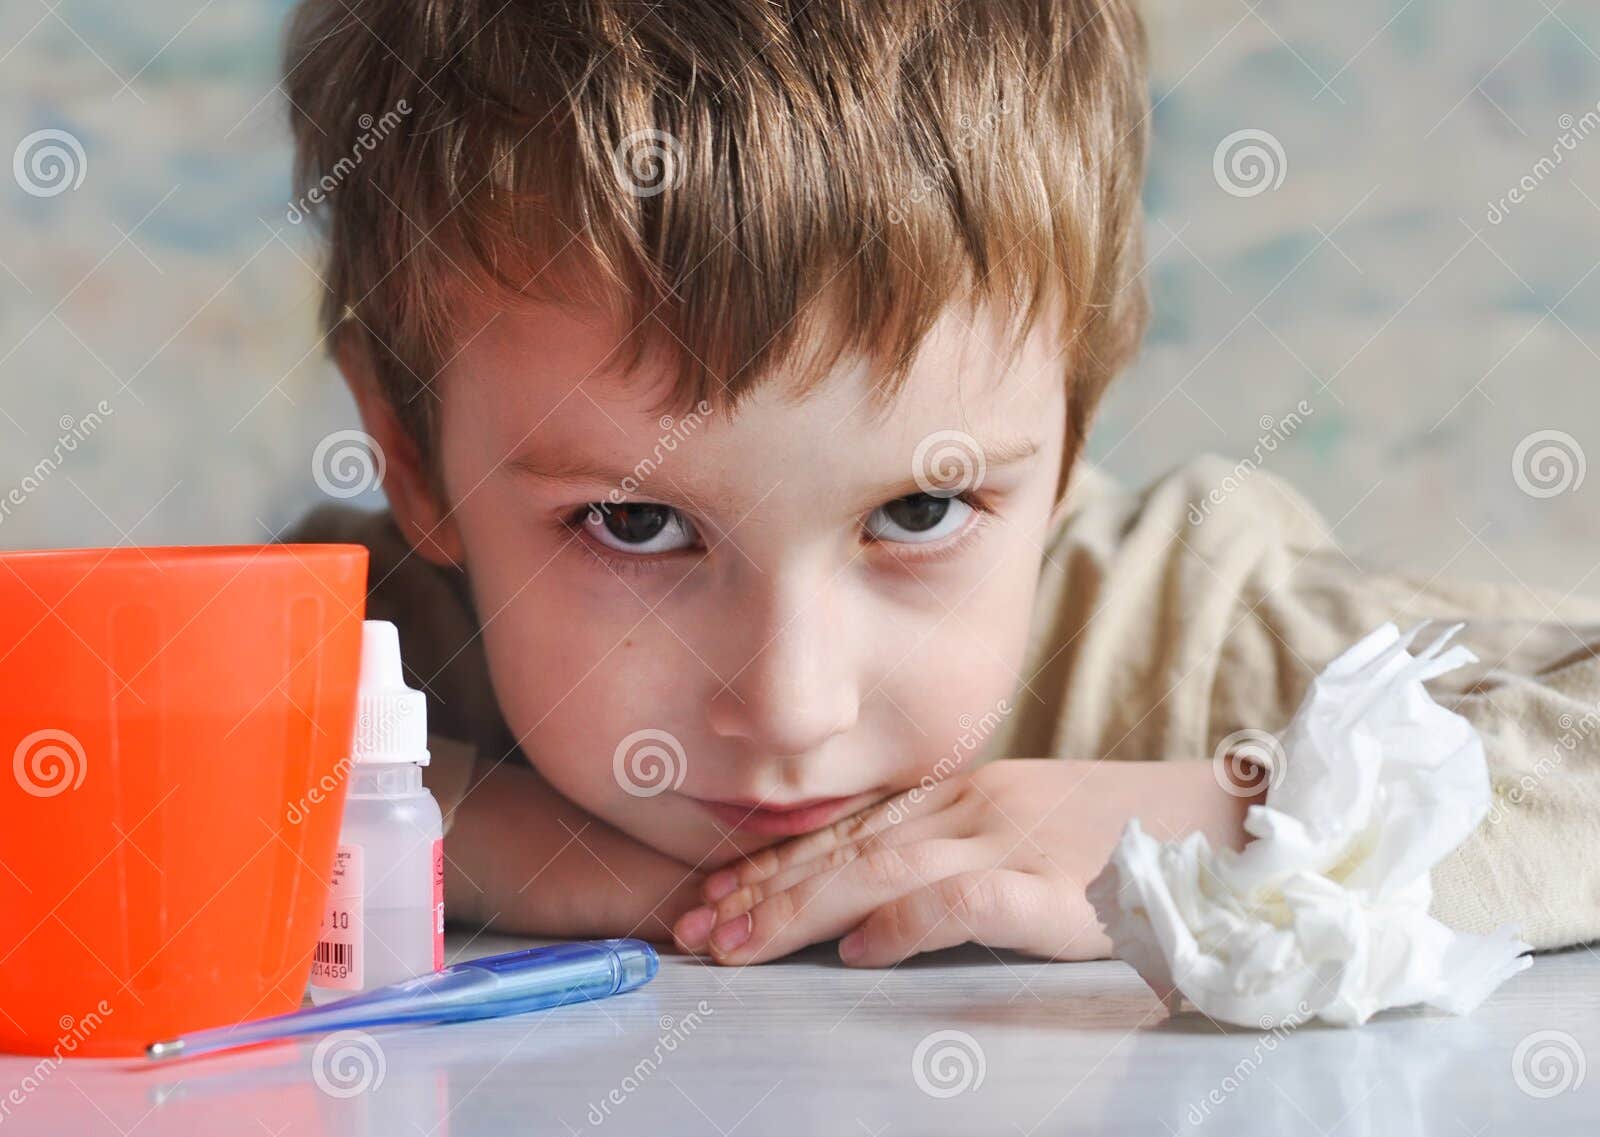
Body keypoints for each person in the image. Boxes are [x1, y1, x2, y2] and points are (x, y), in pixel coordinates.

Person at [281, 0, 1600, 968]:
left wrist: (1234, 815)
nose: (793, 708)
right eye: (636, 523)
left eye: (918, 511)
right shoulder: (350, 648)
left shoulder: (1172, 626)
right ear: (410, 456)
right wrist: (461, 823)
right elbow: (93, 764)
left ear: (1070, 440)